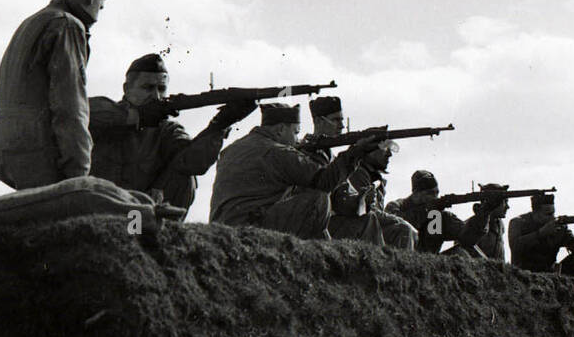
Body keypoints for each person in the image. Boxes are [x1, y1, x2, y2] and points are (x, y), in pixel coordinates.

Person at [0, 0, 109, 189]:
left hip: (3, 143)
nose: (100, 12)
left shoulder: (34, 21)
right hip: (36, 148)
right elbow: (70, 104)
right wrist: (79, 170)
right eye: (102, 5)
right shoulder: (67, 25)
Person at [88, 53, 256, 213]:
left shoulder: (167, 130)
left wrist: (219, 125)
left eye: (161, 89)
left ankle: (161, 232)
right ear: (127, 89)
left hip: (138, 215)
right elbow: (77, 113)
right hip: (96, 210)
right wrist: (136, 117)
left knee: (184, 177)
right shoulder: (105, 115)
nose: (156, 96)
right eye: (148, 88)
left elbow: (193, 163)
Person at [210, 100, 383, 239]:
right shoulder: (277, 151)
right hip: (250, 226)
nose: (297, 139)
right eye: (295, 132)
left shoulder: (233, 148)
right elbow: (324, 181)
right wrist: (356, 152)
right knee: (318, 199)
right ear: (280, 130)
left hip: (222, 227)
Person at [305, 96, 417, 249]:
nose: (342, 126)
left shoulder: (329, 156)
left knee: (396, 229)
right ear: (318, 121)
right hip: (313, 223)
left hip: (329, 222)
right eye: (336, 120)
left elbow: (343, 195)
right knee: (369, 221)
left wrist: (360, 199)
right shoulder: (305, 152)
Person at [509, 193, 574, 279]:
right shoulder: (518, 223)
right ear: (535, 213)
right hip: (522, 275)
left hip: (550, 273)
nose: (552, 218)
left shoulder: (559, 228)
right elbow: (515, 247)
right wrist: (540, 234)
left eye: (553, 213)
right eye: (548, 214)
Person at [388, 170, 482, 254]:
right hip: (399, 259)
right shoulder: (397, 206)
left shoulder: (438, 216)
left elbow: (468, 237)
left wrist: (483, 215)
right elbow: (398, 224)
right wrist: (426, 211)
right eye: (430, 193)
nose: (435, 197)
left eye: (436, 193)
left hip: (429, 263)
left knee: (461, 252)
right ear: (416, 194)